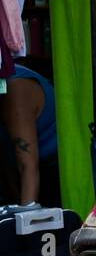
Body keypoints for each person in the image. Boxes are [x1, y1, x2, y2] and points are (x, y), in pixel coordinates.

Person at [0, 65, 59, 208]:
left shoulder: (15, 87)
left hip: (55, 168)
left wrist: (26, 217)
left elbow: (28, 166)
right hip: (21, 168)